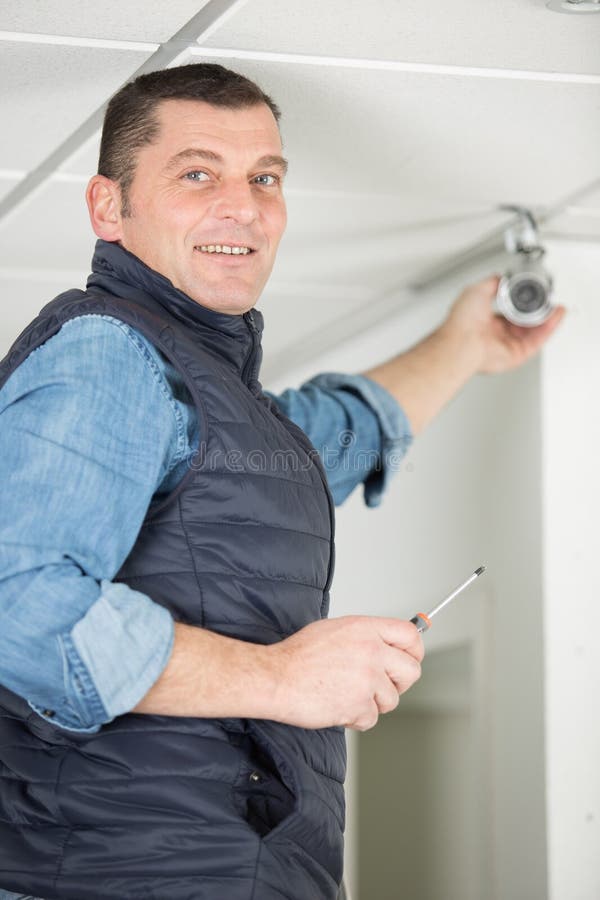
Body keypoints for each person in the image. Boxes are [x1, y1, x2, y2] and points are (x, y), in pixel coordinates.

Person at [0, 63, 563, 900]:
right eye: (198, 175)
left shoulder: (211, 396)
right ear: (108, 208)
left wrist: (463, 347)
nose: (245, 207)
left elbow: (317, 444)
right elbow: (21, 605)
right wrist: (284, 679)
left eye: (265, 178)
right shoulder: (108, 353)